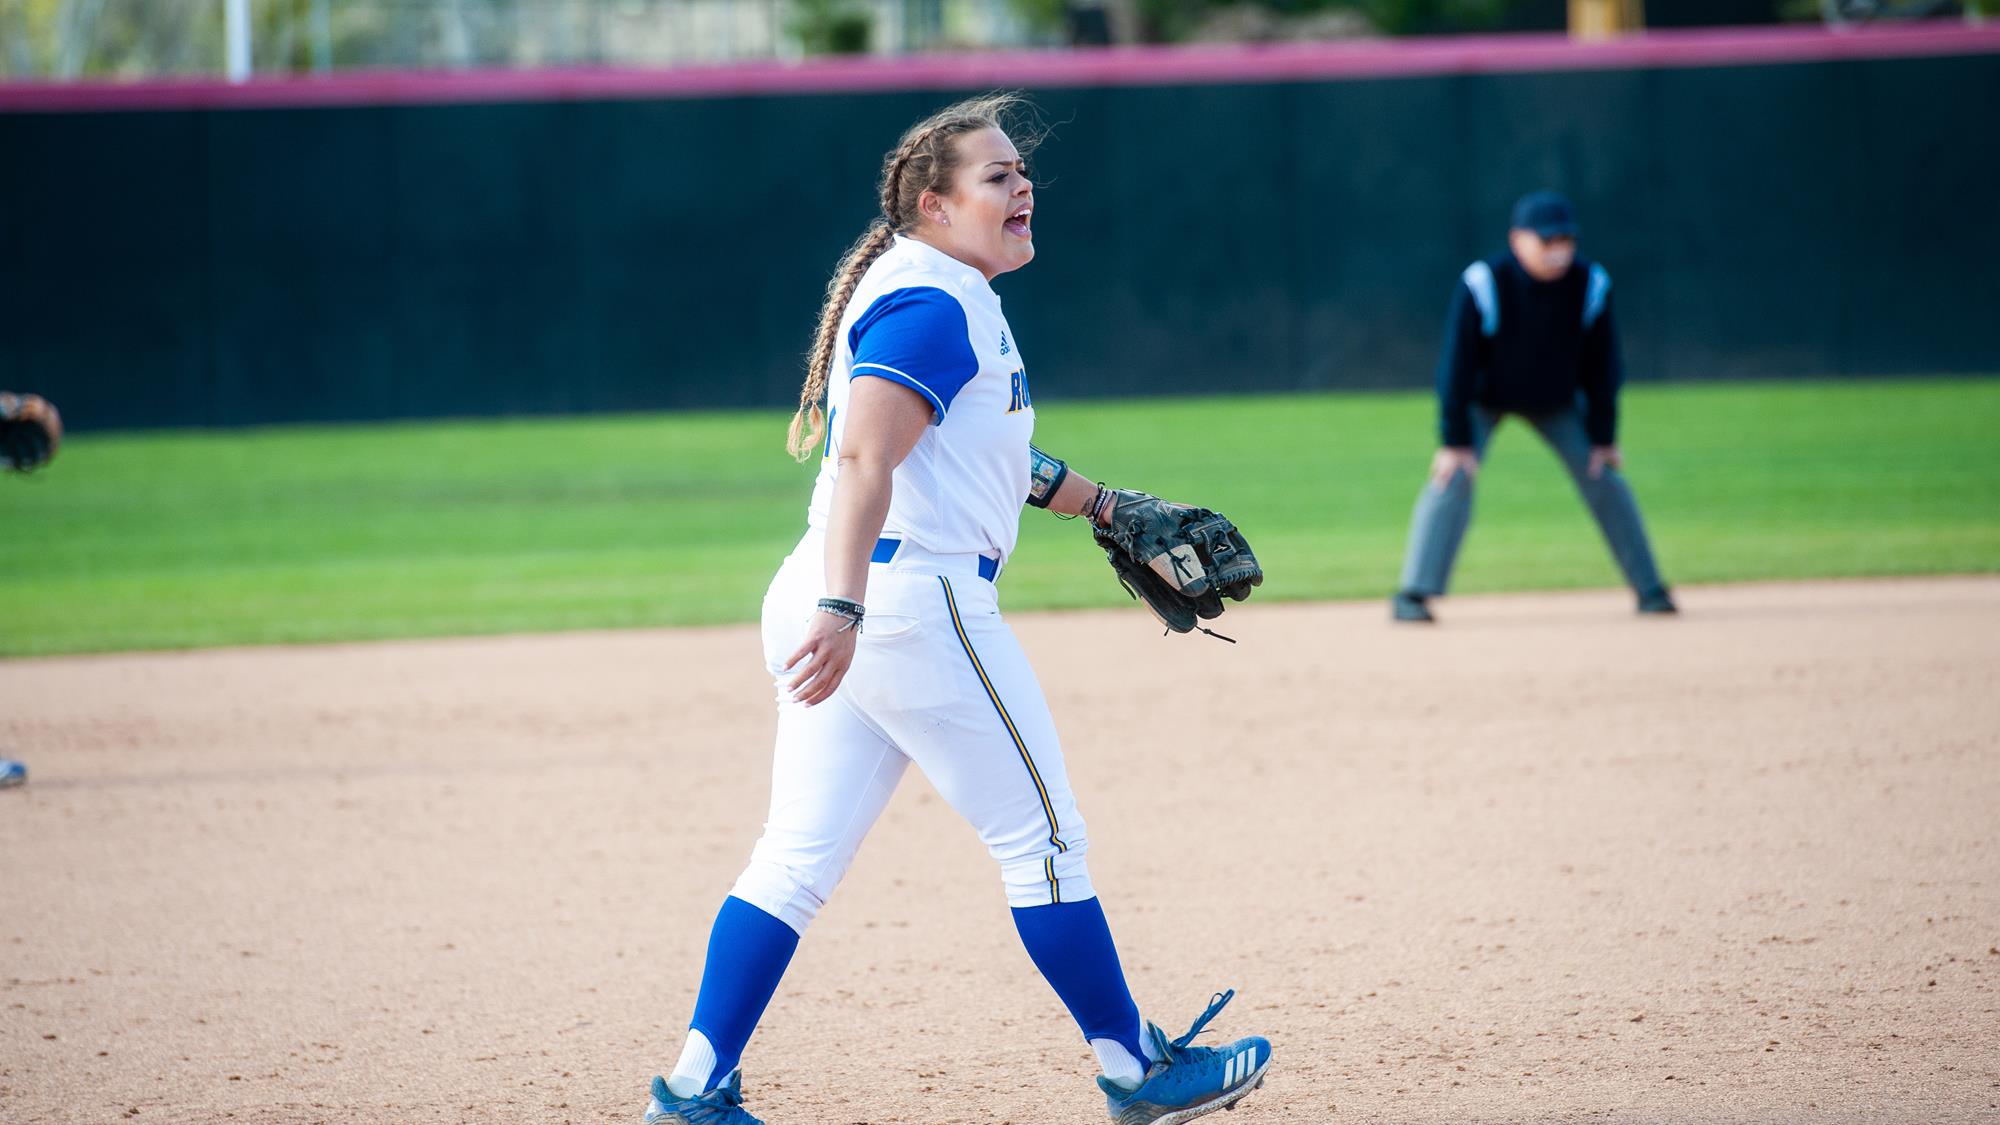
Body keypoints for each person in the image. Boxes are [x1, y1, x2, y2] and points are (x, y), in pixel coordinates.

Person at [639, 95, 1272, 1125]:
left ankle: (694, 1090)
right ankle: (1135, 1071)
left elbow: (986, 455)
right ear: (931, 205)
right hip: (899, 599)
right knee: (1045, 841)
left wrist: (1103, 505)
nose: (1021, 187)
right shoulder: (931, 302)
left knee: (795, 859)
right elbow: (862, 457)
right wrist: (845, 607)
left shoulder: (940, 291)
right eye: (995, 176)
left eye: (1022, 172)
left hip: (855, 594)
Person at [1391, 191, 1676, 624]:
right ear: (1517, 240)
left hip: (1557, 402)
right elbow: (1456, 366)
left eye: (1566, 239)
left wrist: (1603, 435)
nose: (1558, 250)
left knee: (1603, 474)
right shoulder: (1484, 281)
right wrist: (1454, 440)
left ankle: (1651, 589)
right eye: (1547, 241)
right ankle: (1413, 594)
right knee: (1453, 475)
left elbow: (1604, 366)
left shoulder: (1590, 283)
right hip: (1485, 401)